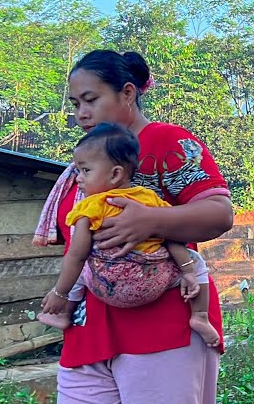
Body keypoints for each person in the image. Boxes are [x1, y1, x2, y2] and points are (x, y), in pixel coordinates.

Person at [31, 50, 233, 404]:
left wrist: (152, 219)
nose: (81, 112)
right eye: (75, 102)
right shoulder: (87, 163)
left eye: (91, 99)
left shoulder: (167, 143)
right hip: (90, 333)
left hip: (164, 331)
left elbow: (219, 213)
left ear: (127, 93)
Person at [36, 122, 220, 348]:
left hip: (107, 284)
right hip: (152, 280)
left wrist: (59, 293)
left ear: (115, 174)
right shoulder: (148, 198)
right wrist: (188, 272)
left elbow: (77, 255)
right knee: (198, 262)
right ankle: (199, 315)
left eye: (85, 170)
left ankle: (64, 313)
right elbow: (172, 239)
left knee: (79, 266)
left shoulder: (89, 207)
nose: (78, 178)